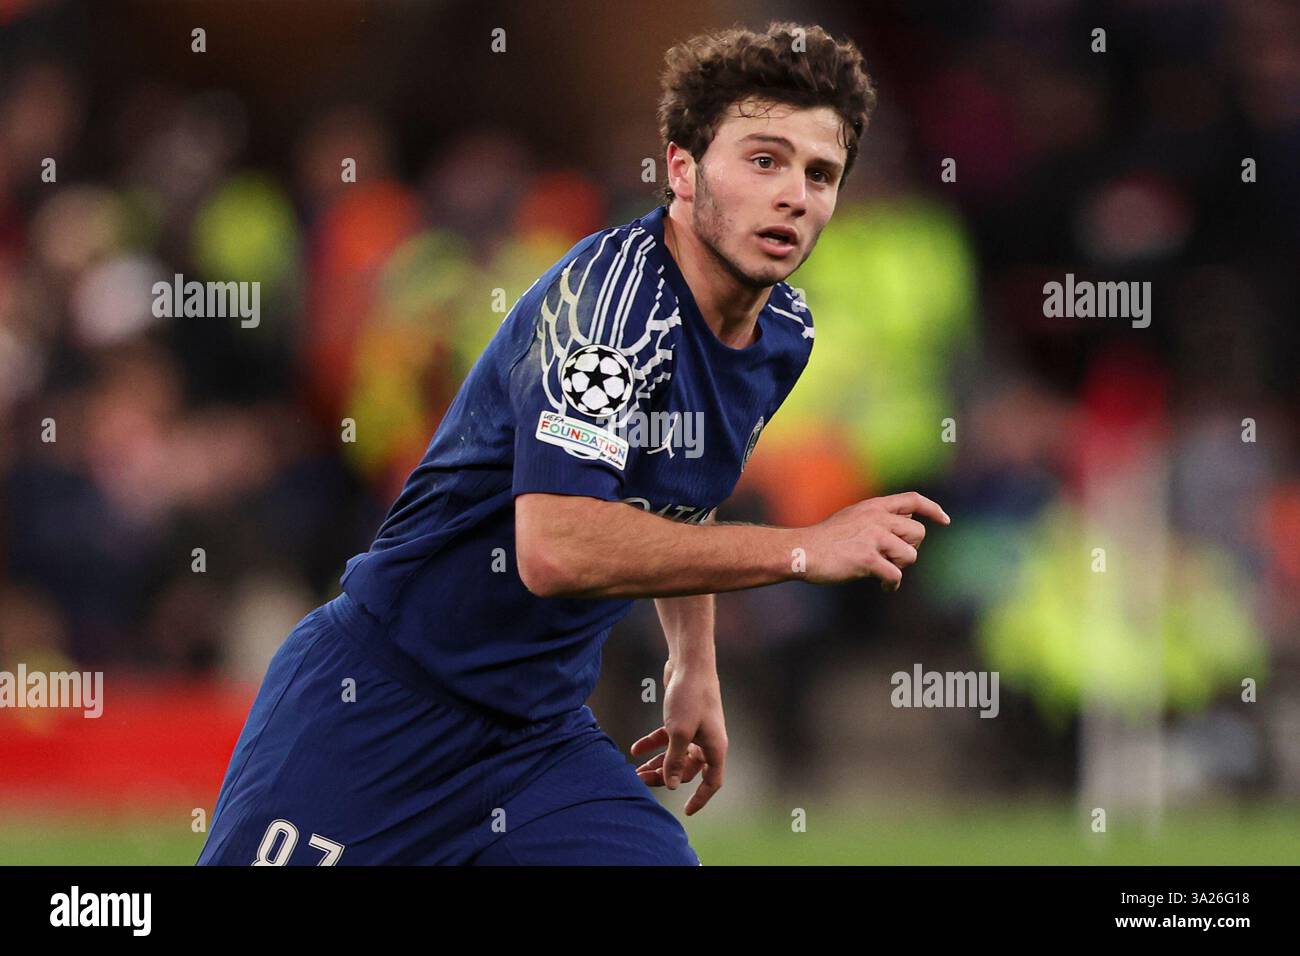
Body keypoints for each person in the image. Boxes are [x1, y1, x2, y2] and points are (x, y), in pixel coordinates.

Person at [198, 20, 948, 866]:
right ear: (682, 168)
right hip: (378, 703)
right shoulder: (610, 311)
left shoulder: (783, 333)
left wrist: (690, 663)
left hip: (532, 742)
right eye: (764, 160)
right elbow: (553, 547)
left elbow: (684, 491)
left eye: (821, 173)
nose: (795, 195)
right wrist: (804, 550)